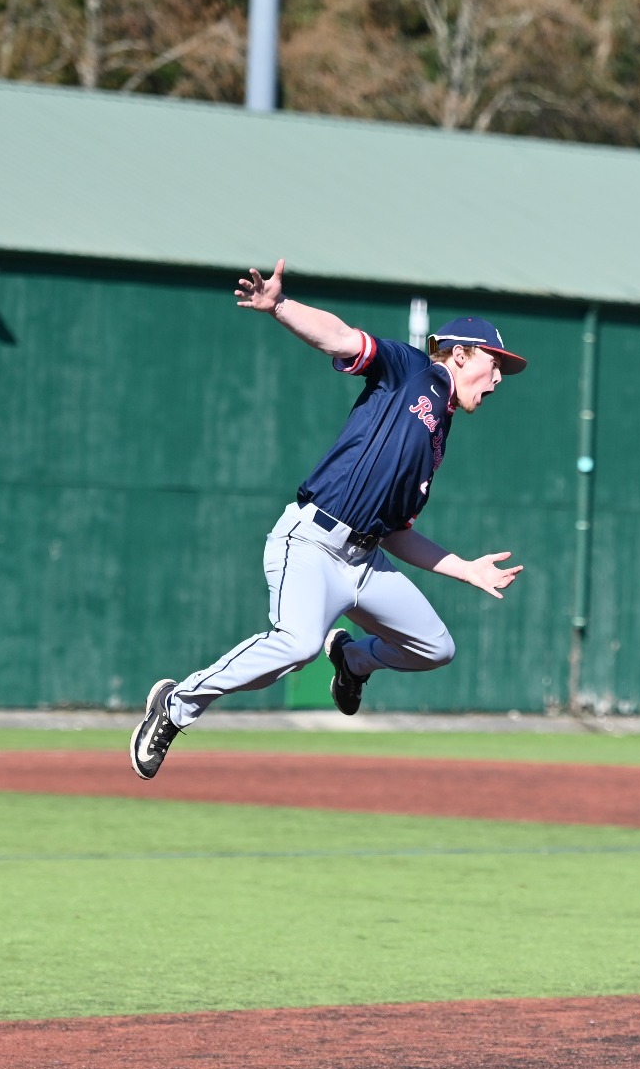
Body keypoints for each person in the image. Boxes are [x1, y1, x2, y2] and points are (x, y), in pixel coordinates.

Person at [129, 259, 526, 778]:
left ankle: (353, 661)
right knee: (295, 644)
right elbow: (341, 338)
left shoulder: (437, 435)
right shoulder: (413, 370)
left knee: (435, 647)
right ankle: (176, 704)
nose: (498, 377)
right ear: (458, 353)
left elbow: (399, 534)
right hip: (313, 542)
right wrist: (279, 307)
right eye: (493, 363)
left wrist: (467, 569)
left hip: (364, 561)